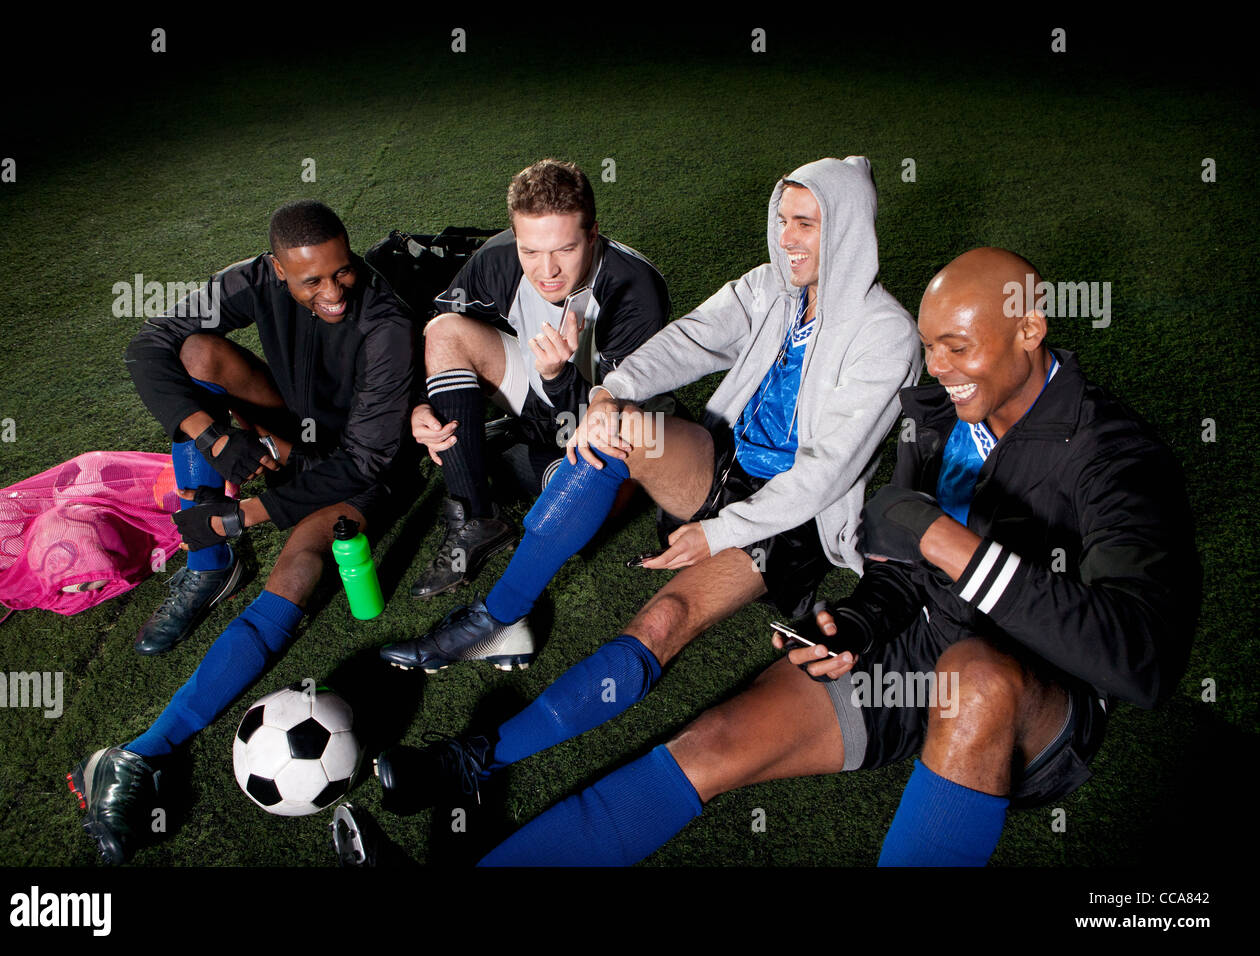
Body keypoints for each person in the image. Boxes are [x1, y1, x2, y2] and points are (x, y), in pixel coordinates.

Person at [469, 247, 1201, 866]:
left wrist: (950, 544)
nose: (938, 367)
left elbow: (1144, 660)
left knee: (973, 676)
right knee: (712, 744)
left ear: (1031, 329)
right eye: (930, 344)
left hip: (1030, 692)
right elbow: (896, 576)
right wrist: (857, 623)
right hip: (916, 649)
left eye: (959, 347)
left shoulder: (1112, 455)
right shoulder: (938, 413)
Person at [374, 156, 923, 815]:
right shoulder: (770, 287)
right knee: (618, 431)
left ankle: (470, 760)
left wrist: (716, 534)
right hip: (719, 464)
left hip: (787, 522)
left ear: (849, 228)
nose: (788, 238)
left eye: (806, 223)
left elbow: (823, 475)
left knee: (664, 619)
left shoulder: (887, 335)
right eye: (782, 220)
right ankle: (499, 615)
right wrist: (611, 393)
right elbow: (690, 338)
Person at [68, 200, 418, 863]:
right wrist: (213, 435)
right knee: (195, 351)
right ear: (276, 268)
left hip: (366, 470)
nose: (332, 291)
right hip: (296, 431)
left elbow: (367, 460)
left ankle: (137, 755)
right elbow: (148, 344)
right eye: (310, 280)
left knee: (298, 565)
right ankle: (210, 564)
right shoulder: (249, 280)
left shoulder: (387, 320)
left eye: (341, 272)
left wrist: (243, 512)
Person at [407, 158, 670, 600]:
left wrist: (557, 376)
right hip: (539, 389)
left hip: (619, 422)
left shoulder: (634, 288)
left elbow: (611, 413)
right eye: (530, 250)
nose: (546, 271)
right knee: (444, 330)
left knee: (577, 515)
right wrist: (419, 403)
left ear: (592, 233)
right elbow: (442, 330)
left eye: (564, 250)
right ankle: (476, 517)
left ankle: (505, 450)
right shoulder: (497, 258)